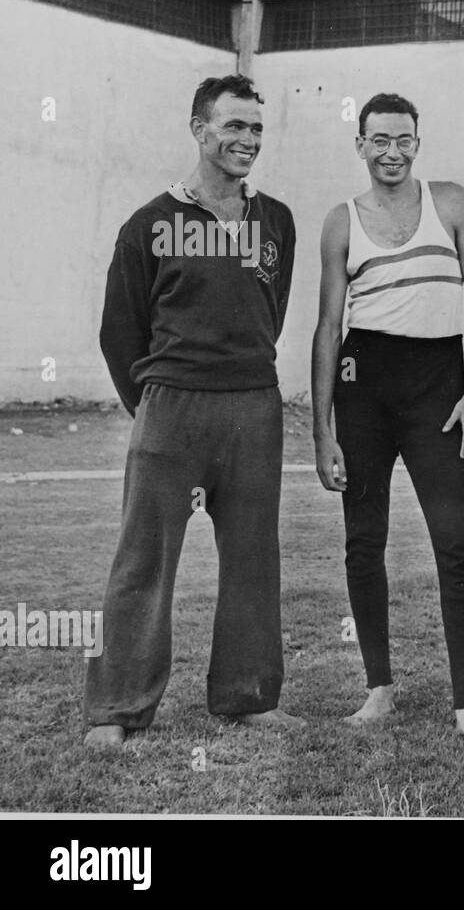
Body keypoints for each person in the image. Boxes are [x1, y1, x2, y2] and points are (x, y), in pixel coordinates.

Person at [85, 74, 302, 748]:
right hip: (171, 407)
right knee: (142, 559)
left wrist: (243, 379)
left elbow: (269, 311)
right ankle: (118, 708)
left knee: (252, 556)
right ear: (199, 129)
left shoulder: (276, 221)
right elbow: (119, 331)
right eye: (234, 126)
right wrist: (153, 401)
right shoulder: (150, 223)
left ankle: (247, 695)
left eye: (257, 129)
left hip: (253, 406)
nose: (247, 140)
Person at [311, 92, 464, 745]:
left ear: (418, 143)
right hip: (362, 386)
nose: (391, 151)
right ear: (359, 144)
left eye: (403, 140)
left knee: (454, 538)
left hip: (438, 388)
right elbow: (327, 327)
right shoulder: (342, 221)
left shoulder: (450, 202)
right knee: (364, 538)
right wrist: (321, 429)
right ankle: (379, 687)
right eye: (379, 140)